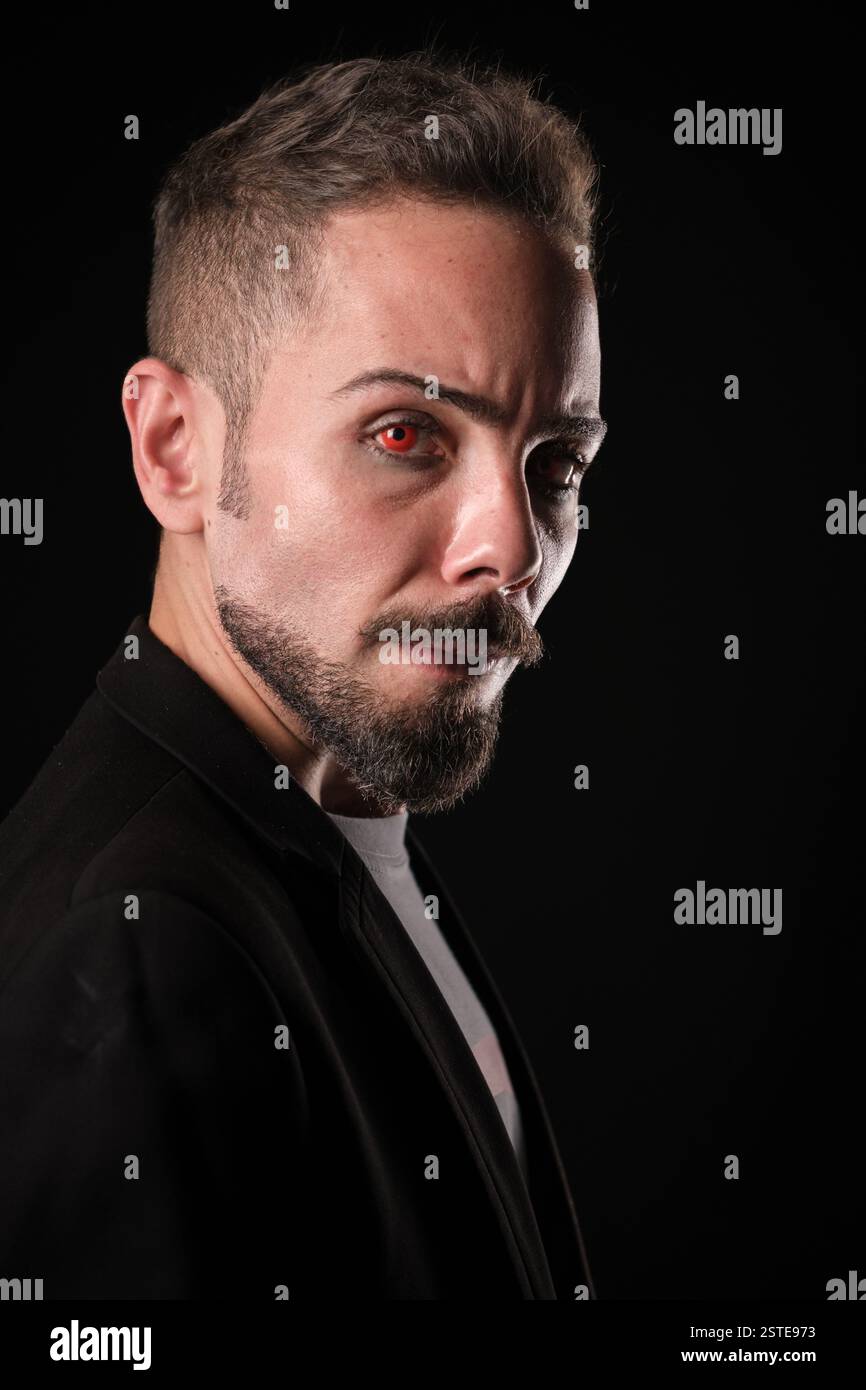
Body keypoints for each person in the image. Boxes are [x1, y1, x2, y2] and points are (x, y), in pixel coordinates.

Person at [0, 48, 606, 1299]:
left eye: (552, 463)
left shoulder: (320, 823)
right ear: (174, 451)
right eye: (404, 434)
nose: (510, 548)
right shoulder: (140, 951)